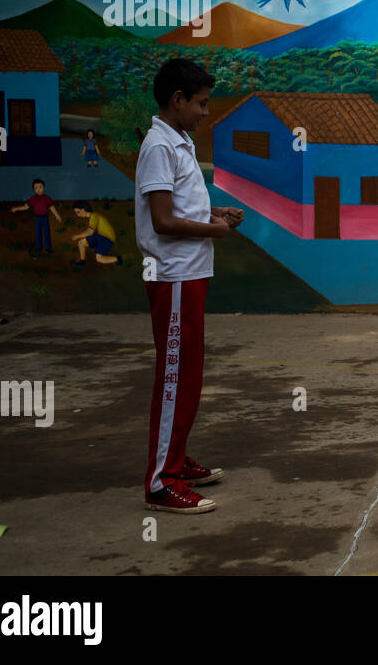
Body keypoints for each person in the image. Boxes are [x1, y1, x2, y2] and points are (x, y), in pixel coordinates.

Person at [135, 58, 244, 515]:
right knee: (176, 376)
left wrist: (214, 215)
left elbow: (179, 208)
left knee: (189, 374)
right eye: (200, 104)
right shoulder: (159, 146)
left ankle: (176, 459)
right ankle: (162, 481)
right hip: (175, 276)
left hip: (191, 274)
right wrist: (214, 232)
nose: (205, 112)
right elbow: (161, 220)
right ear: (177, 100)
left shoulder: (178, 141)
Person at [11, 178, 63, 257]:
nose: (38, 190)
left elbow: (51, 207)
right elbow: (26, 207)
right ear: (34, 189)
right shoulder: (33, 198)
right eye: (36, 188)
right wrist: (16, 208)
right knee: (38, 232)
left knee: (46, 232)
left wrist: (57, 215)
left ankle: (48, 248)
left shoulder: (46, 198)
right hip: (37, 218)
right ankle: (38, 247)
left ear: (44, 187)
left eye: (40, 187)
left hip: (45, 218)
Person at [69, 200, 122, 266]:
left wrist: (77, 236)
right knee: (81, 242)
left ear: (83, 209)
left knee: (99, 259)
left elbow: (90, 232)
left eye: (78, 212)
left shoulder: (94, 216)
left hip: (107, 238)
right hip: (100, 236)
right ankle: (82, 261)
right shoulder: (93, 216)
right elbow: (90, 231)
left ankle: (118, 258)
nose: (77, 215)